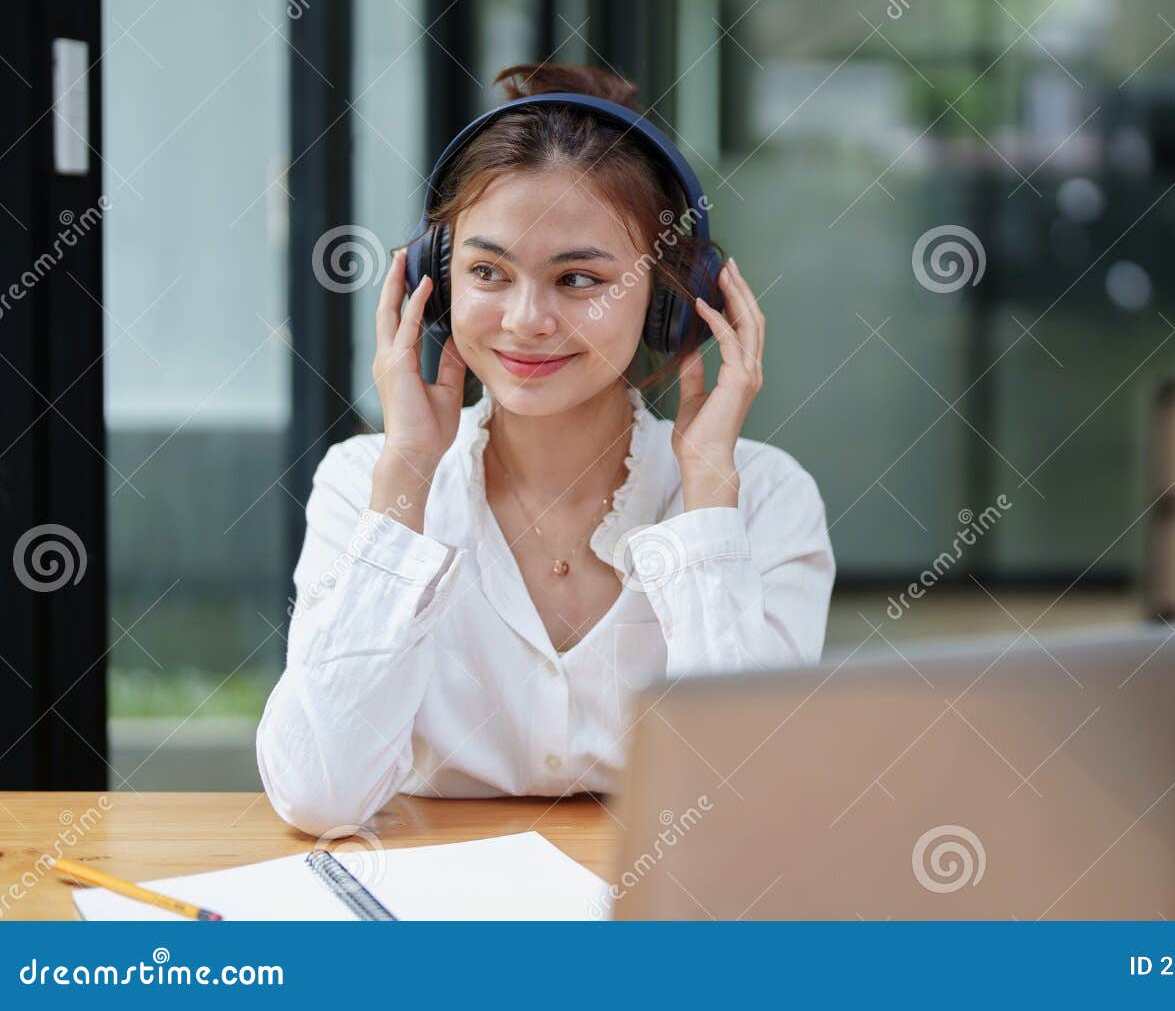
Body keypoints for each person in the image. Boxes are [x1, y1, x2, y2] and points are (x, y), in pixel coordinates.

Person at [256, 62, 835, 836]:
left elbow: (749, 802)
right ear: (436, 281)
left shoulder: (760, 495)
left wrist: (705, 501)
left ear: (670, 304)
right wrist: (406, 482)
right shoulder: (364, 479)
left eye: (578, 279)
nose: (527, 320)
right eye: (488, 271)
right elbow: (320, 795)